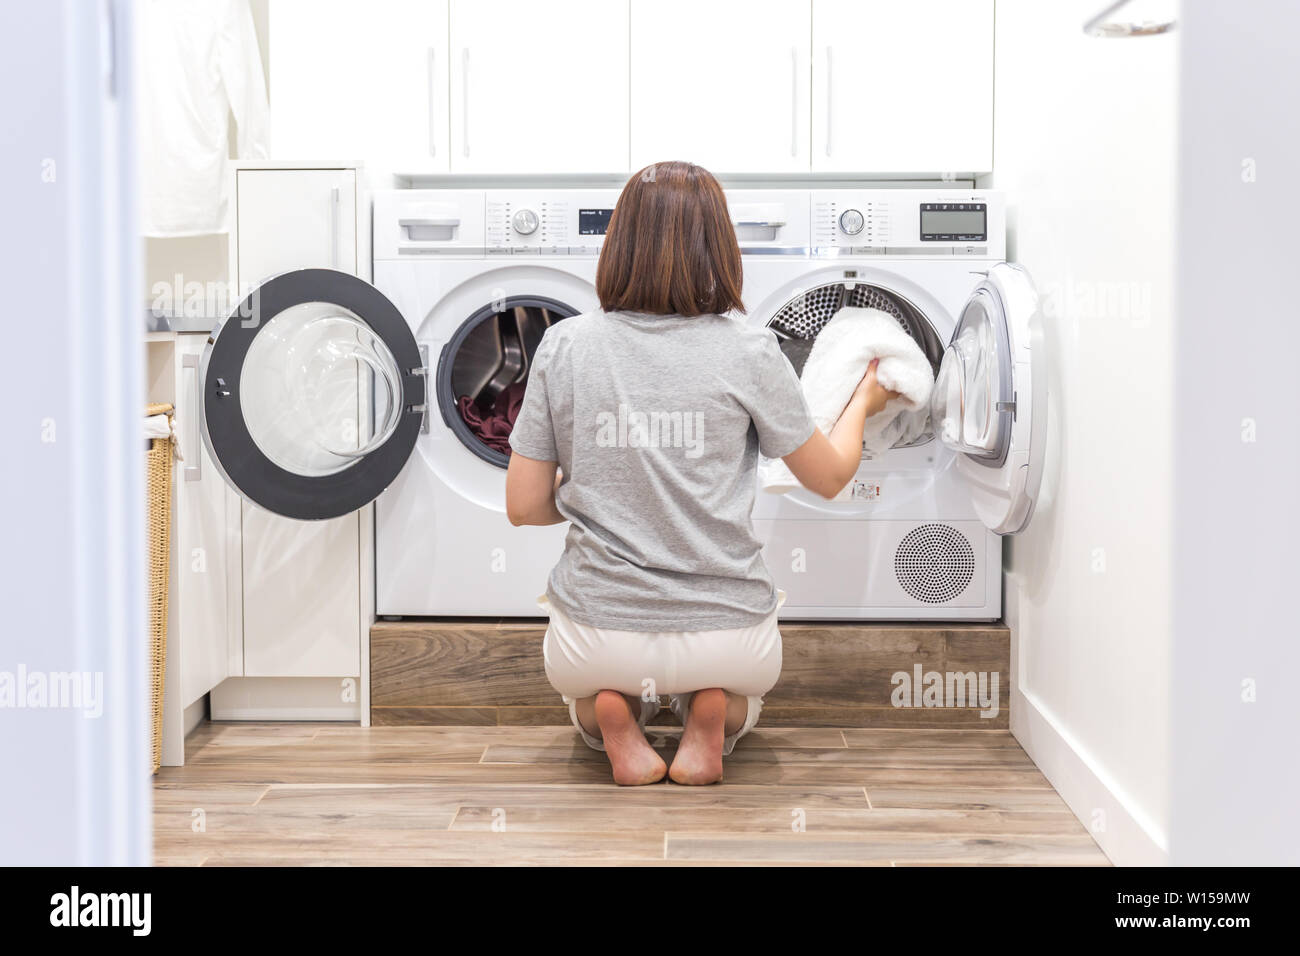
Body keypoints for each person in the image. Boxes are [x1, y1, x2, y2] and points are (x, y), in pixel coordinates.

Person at [505, 161, 897, 785]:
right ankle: (716, 713)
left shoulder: (566, 345)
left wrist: (592, 491)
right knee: (738, 692)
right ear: (720, 247)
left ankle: (609, 712)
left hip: (595, 634)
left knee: (587, 693)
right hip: (730, 634)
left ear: (618, 244)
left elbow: (524, 505)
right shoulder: (748, 347)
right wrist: (864, 404)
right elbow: (828, 478)